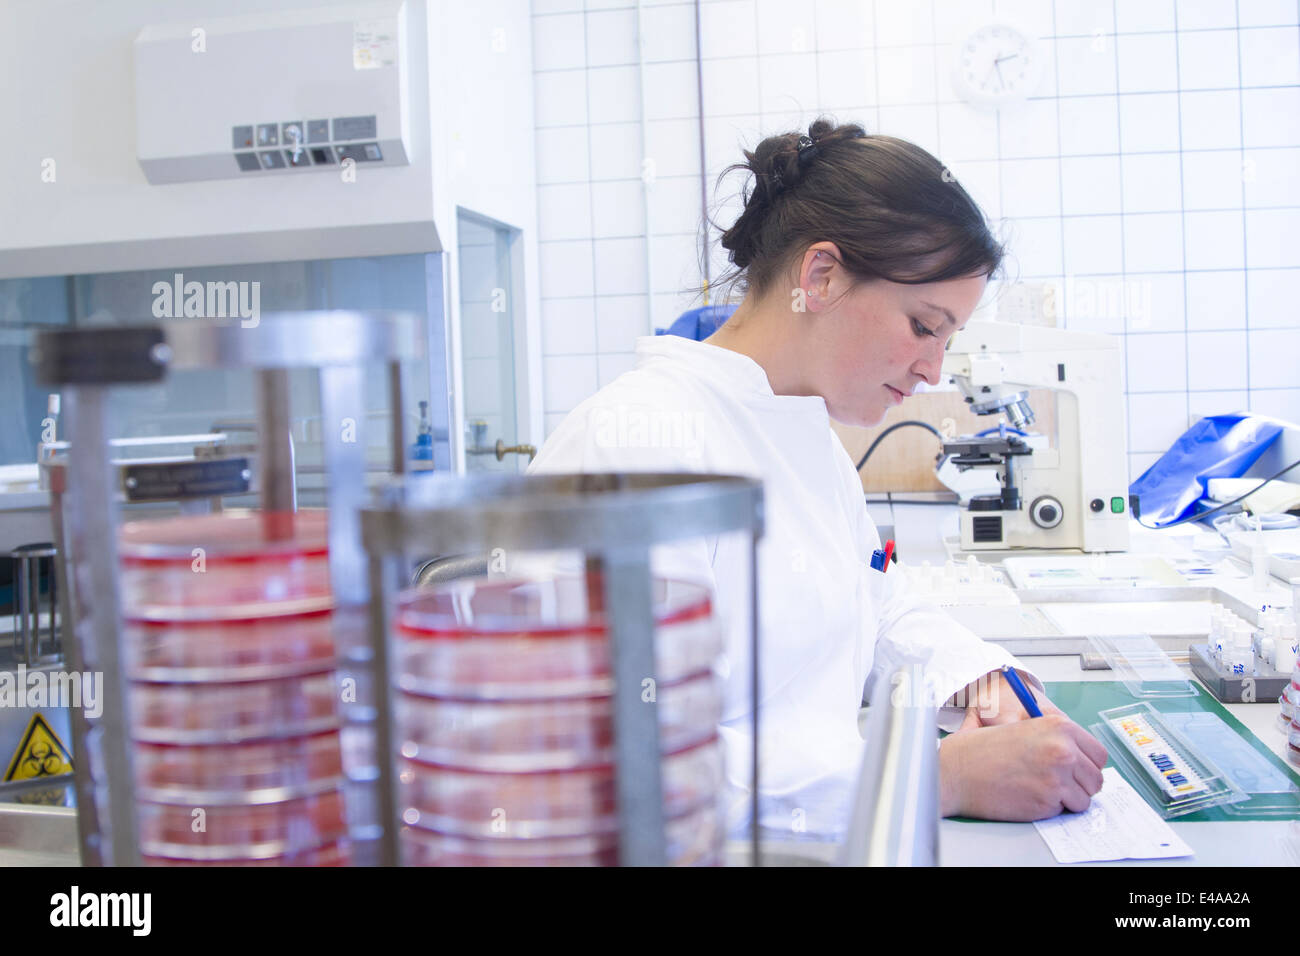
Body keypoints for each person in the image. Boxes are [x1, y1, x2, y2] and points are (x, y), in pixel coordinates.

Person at [528, 118, 1107, 838]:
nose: (933, 371)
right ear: (821, 277)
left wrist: (976, 677)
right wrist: (933, 778)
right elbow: (620, 768)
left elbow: (877, 601)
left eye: (949, 339)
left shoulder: (807, 436)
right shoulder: (631, 449)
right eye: (924, 326)